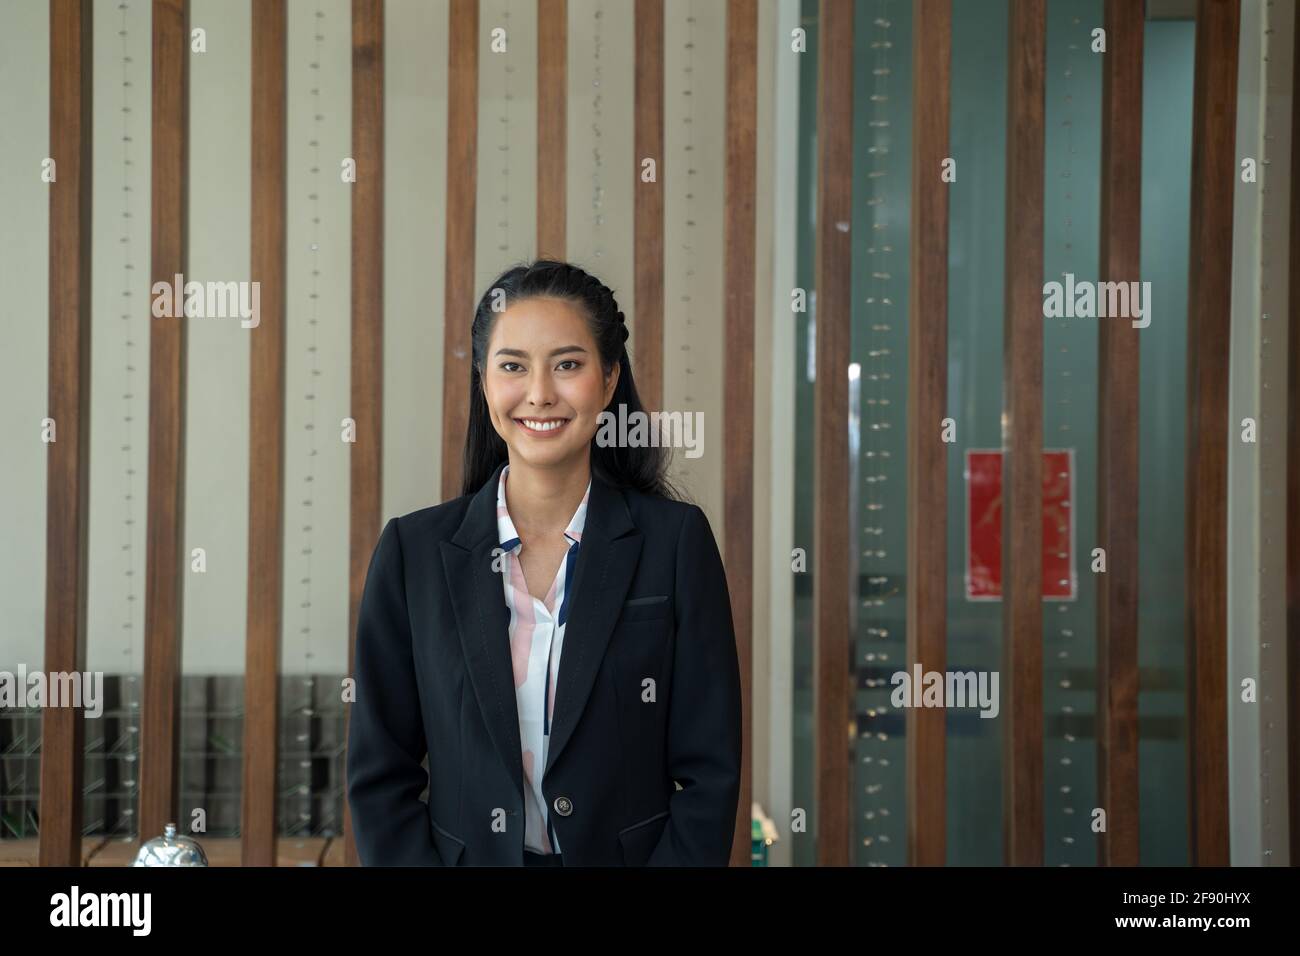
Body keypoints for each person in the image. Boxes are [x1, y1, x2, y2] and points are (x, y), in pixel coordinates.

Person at [346, 259, 742, 866]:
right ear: (484, 382)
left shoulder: (675, 543)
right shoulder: (412, 553)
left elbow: (710, 773)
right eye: (513, 366)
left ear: (608, 380)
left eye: (567, 365)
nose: (539, 393)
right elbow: (380, 775)